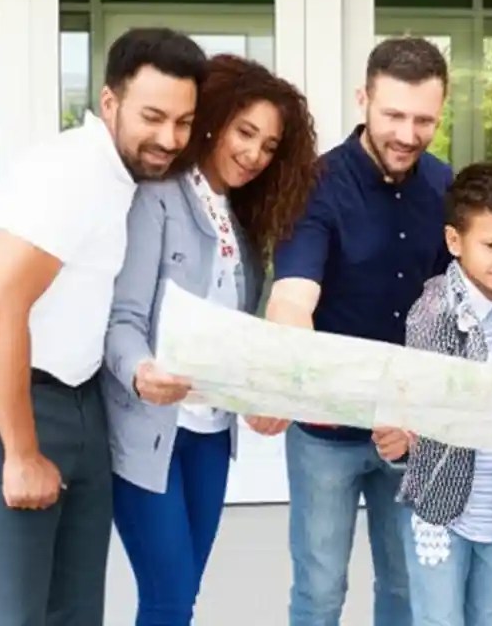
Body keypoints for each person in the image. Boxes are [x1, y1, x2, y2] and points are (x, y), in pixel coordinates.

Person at [0, 28, 207, 626]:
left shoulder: (121, 180)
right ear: (109, 103)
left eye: (183, 123)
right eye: (152, 116)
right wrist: (22, 452)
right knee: (11, 615)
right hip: (3, 400)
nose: (169, 138)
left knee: (75, 614)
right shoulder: (70, 172)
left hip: (78, 403)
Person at [101, 53, 320, 626]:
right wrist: (142, 371)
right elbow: (121, 319)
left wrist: (260, 395)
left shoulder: (244, 221)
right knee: (169, 594)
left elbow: (236, 334)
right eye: (245, 132)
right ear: (214, 120)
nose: (254, 154)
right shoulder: (159, 200)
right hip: (149, 433)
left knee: (182, 594)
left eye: (269, 145)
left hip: (211, 433)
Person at [266, 36, 453, 626]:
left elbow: (458, 309)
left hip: (410, 430)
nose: (407, 133)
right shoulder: (314, 185)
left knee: (404, 588)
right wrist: (279, 378)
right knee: (320, 592)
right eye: (393, 114)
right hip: (327, 432)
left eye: (423, 119)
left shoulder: (446, 188)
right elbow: (294, 297)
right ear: (363, 100)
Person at [396, 162, 492, 626]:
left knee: (491, 611)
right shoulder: (434, 310)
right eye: (491, 245)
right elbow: (424, 402)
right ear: (455, 242)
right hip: (442, 503)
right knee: (440, 618)